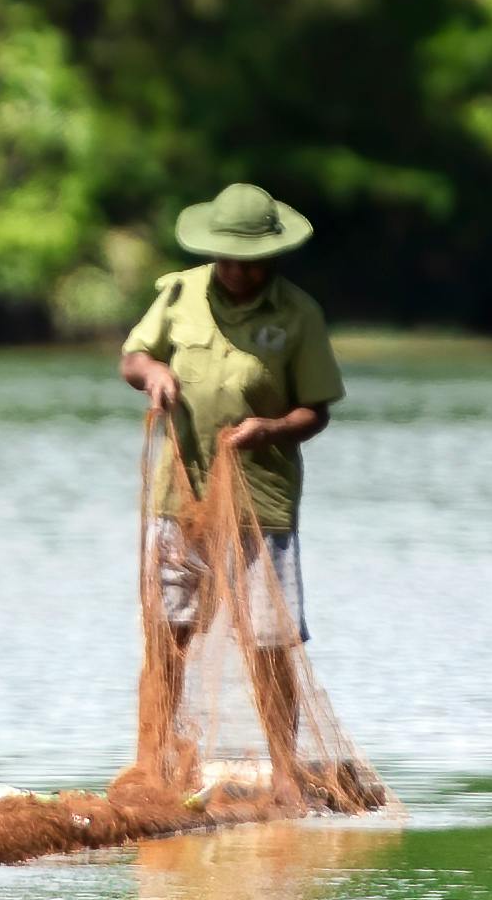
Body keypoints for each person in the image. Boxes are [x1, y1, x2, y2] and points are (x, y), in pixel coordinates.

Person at [117, 182, 348, 600]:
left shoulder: (300, 315)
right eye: (228, 261)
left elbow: (316, 412)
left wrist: (269, 429)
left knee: (268, 637)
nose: (239, 272)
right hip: (180, 496)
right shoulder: (180, 292)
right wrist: (155, 375)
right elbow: (133, 359)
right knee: (174, 627)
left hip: (260, 504)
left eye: (251, 262)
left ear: (272, 255)